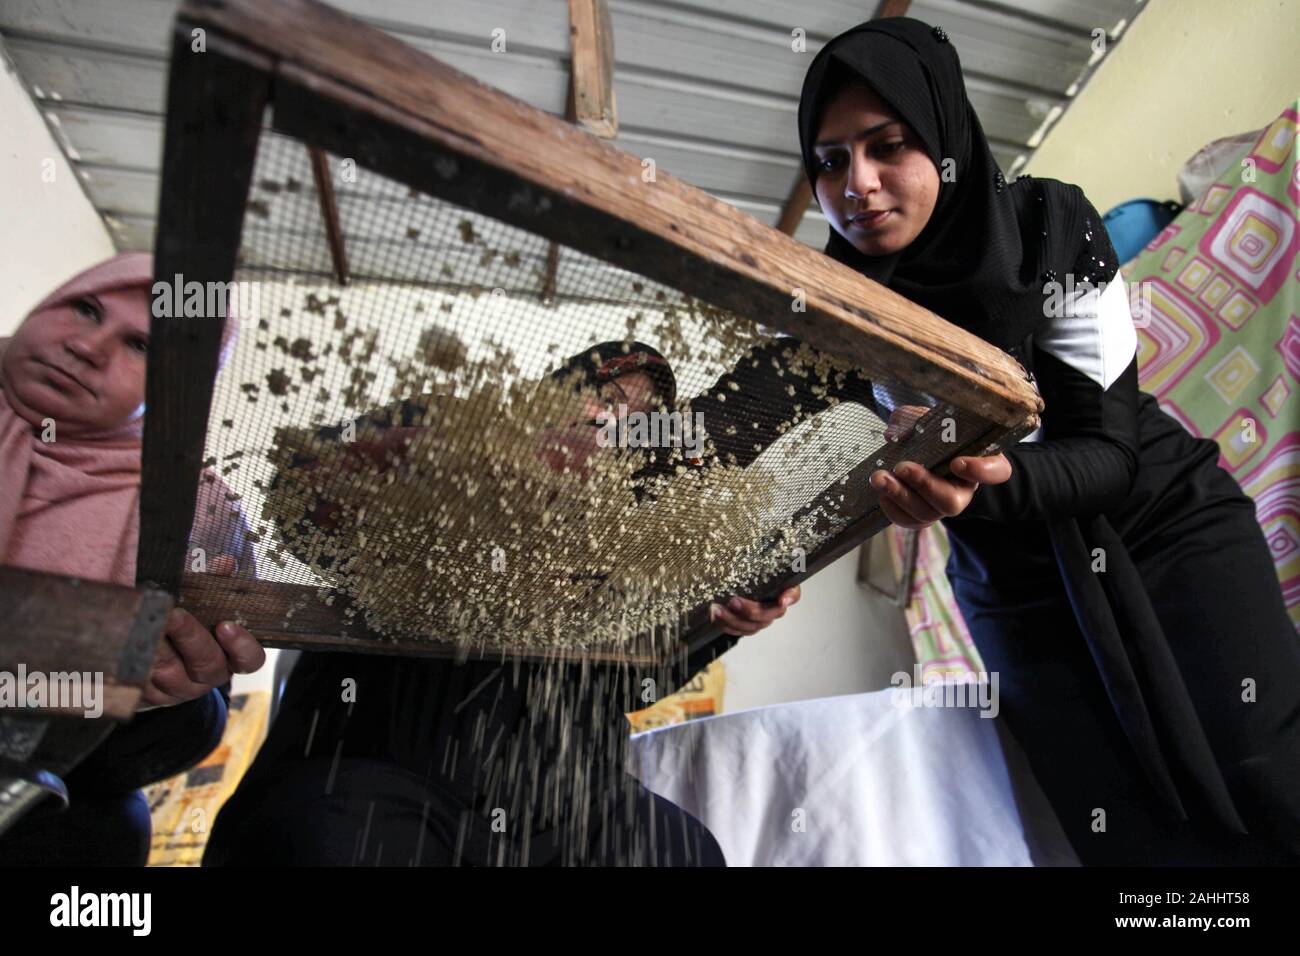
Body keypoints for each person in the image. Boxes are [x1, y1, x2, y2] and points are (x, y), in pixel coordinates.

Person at [791, 17, 1300, 866]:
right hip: (1016, 594)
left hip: (1163, 532)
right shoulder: (829, 310)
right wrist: (748, 592)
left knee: (1266, 772)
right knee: (1126, 829)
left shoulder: (1049, 231)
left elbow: (1109, 453)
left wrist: (986, 481)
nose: (860, 184)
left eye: (889, 147)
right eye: (831, 161)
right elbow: (753, 465)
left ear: (947, 138)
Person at [204, 342, 798, 866]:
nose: (617, 421)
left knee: (682, 852)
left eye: (639, 419)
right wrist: (478, 466)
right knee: (326, 840)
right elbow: (303, 491)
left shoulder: (645, 532)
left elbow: (636, 683)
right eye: (605, 397)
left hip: (563, 800)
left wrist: (723, 625)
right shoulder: (451, 427)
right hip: (383, 765)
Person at [0, 252, 266, 865]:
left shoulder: (192, 511)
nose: (89, 347)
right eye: (85, 308)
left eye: (140, 345)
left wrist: (158, 687)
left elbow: (187, 691)